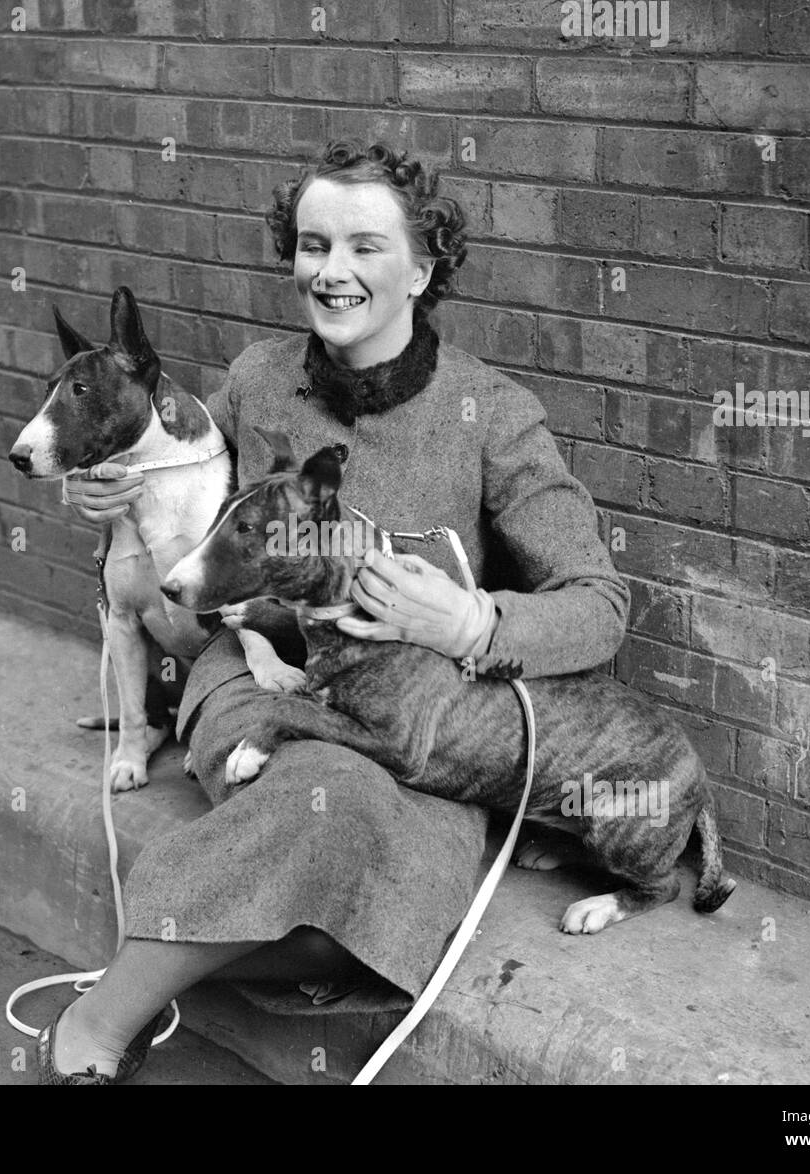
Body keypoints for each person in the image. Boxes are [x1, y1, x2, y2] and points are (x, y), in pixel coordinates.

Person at [38, 141, 630, 1084]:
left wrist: (475, 625)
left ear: (423, 269)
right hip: (261, 683)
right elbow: (169, 487)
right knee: (336, 803)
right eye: (313, 245)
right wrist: (99, 493)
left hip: (427, 728)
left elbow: (599, 605)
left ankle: (163, 956)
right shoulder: (258, 379)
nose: (332, 271)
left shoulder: (493, 413)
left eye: (364, 246)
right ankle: (96, 1028)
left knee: (368, 921)